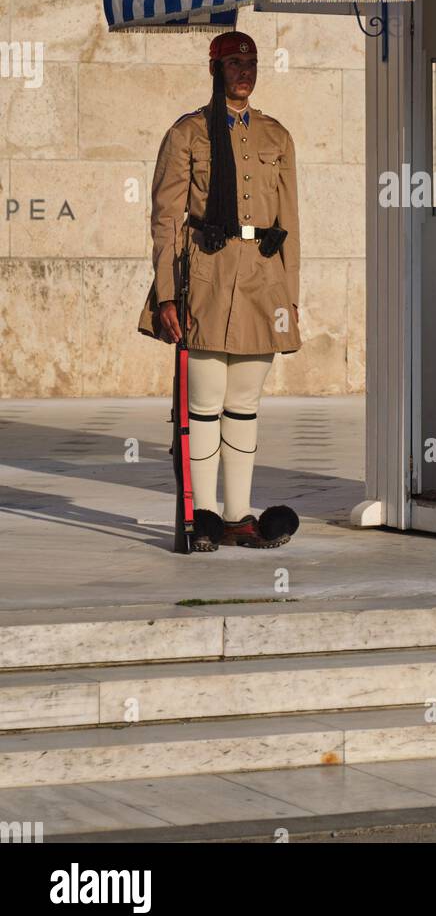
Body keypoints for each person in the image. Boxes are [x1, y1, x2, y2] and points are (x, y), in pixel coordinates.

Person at [139, 30, 301, 552]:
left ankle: (239, 516)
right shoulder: (189, 133)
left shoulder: (276, 136)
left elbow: (290, 222)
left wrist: (289, 299)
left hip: (262, 278)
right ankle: (202, 515)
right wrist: (167, 293)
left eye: (250, 62)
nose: (244, 71)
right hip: (205, 275)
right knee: (204, 404)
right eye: (233, 63)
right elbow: (166, 219)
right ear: (215, 69)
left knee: (245, 403)